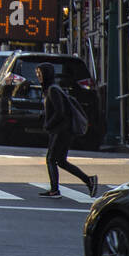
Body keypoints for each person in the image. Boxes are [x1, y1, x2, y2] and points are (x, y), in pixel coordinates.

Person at [37, 63, 97, 199]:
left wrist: (48, 124)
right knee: (61, 161)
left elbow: (60, 112)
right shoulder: (51, 89)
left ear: (47, 74)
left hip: (61, 131)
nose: (39, 77)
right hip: (61, 130)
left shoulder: (53, 90)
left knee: (51, 159)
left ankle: (54, 190)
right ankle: (89, 180)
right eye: (38, 74)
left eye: (40, 74)